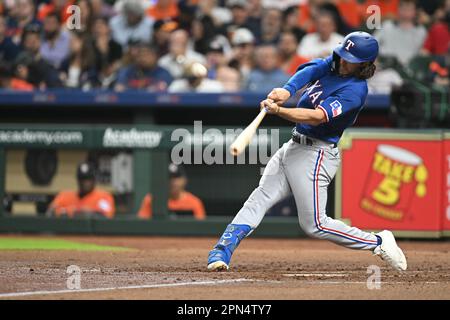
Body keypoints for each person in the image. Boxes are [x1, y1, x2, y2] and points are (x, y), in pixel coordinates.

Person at [207, 31, 408, 272]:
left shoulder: (355, 90)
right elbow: (310, 69)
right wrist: (287, 90)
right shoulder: (334, 64)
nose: (343, 60)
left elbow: (316, 117)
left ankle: (378, 241)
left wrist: (279, 111)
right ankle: (222, 249)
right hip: (293, 146)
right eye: (344, 55)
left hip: (316, 155)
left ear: (364, 64)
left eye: (350, 59)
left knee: (315, 225)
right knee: (260, 197)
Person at [138, 163, 206, 220]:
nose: (173, 181)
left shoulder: (194, 202)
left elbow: (201, 229)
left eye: (176, 177)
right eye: (170, 177)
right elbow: (141, 226)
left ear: (184, 180)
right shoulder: (151, 199)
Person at [48, 162, 115, 219]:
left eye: (88, 179)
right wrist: (76, 211)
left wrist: (68, 211)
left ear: (94, 180)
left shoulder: (104, 197)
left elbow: (106, 216)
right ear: (78, 180)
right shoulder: (64, 196)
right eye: (82, 179)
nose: (85, 183)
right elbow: (50, 213)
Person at [374, 0, 427, 66]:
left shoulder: (421, 31)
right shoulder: (387, 26)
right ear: (398, 9)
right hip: (385, 66)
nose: (406, 12)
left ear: (415, 11)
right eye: (403, 9)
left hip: (409, 70)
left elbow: (424, 53)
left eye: (409, 9)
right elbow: (372, 44)